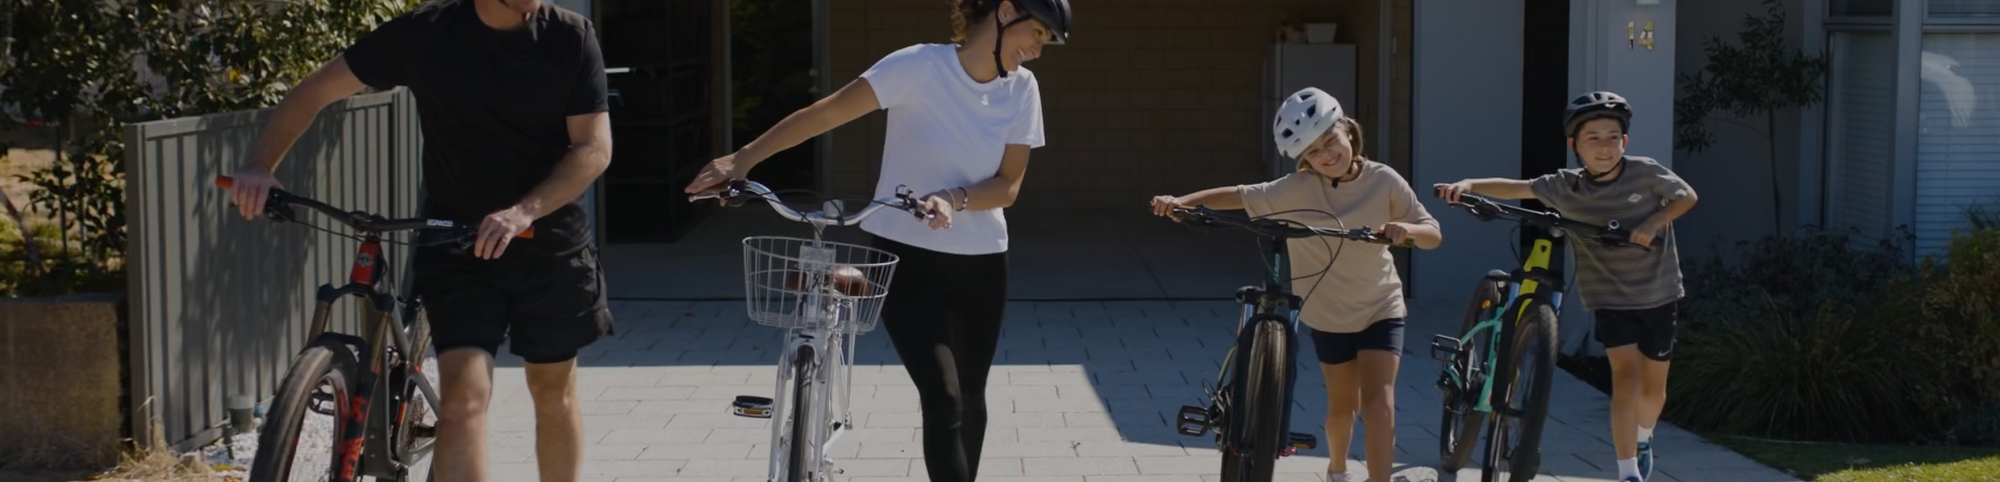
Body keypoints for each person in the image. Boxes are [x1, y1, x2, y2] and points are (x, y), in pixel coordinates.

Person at [223, 0, 614, 480]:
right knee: (462, 403)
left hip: (549, 239)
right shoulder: (425, 33)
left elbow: (593, 149)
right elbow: (315, 91)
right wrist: (260, 164)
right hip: (457, 244)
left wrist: (521, 212)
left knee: (553, 394)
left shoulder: (571, 38)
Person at [681, 1, 1070, 481]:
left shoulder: (1022, 90)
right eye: (1037, 32)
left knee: (970, 394)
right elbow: (824, 114)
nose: (1038, 49)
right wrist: (742, 159)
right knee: (942, 395)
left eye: (1046, 41)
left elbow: (1009, 184)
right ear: (1005, 10)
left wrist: (954, 196)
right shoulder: (919, 66)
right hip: (906, 258)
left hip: (983, 263)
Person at [1149, 87, 1441, 482]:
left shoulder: (1383, 180)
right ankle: (1337, 471)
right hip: (1328, 313)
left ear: (1348, 132)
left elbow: (1431, 234)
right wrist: (1180, 200)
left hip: (1380, 307)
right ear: (1305, 160)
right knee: (1342, 408)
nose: (1327, 155)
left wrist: (1404, 229)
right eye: (1314, 153)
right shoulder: (1296, 188)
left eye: (1330, 141)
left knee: (1379, 402)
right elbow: (1238, 195)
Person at [1433, 91, 1697, 482]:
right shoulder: (1565, 186)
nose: (1605, 147)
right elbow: (1518, 188)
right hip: (1608, 297)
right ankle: (1628, 472)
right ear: (1575, 146)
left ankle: (1643, 438)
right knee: (1625, 379)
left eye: (1613, 137)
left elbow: (1685, 197)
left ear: (1624, 142)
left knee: (1653, 389)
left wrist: (1652, 223)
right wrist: (1469, 185)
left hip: (1657, 293)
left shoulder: (1645, 172)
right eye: (1593, 138)